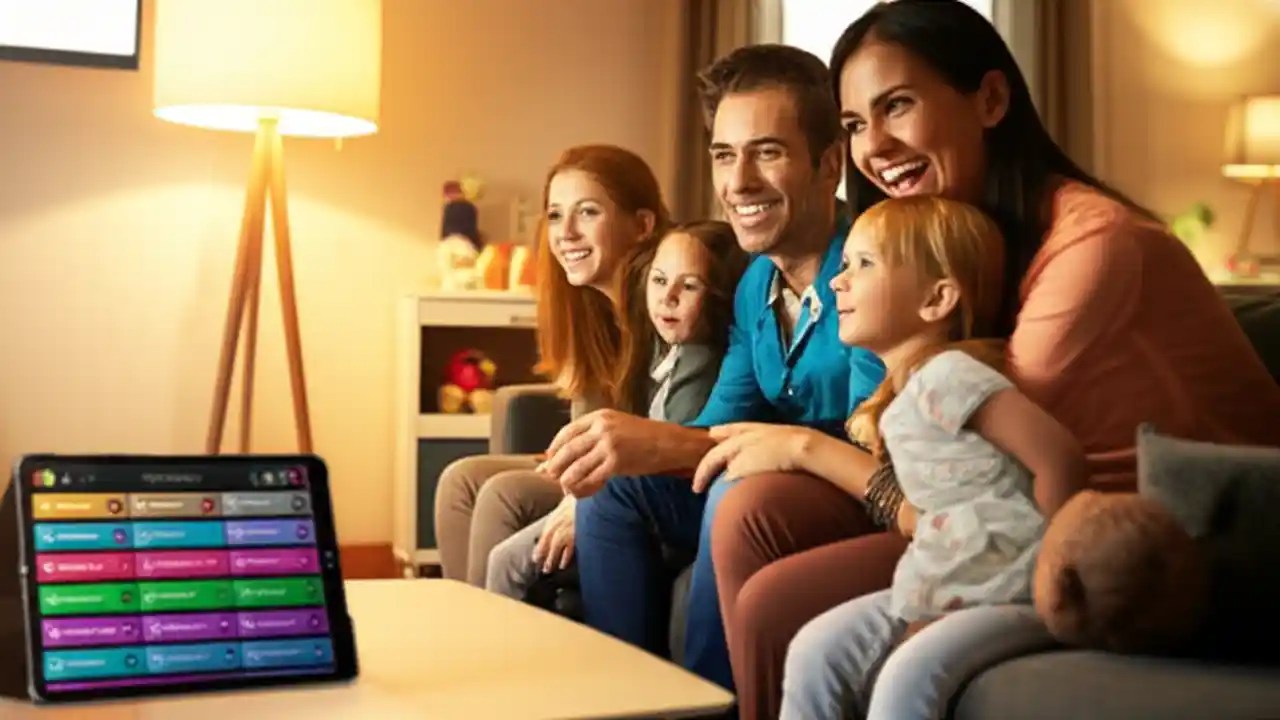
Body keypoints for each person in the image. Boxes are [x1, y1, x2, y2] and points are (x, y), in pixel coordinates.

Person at [702, 1, 1280, 717]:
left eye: (898, 105)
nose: (874, 146)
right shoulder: (962, 246)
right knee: (755, 520)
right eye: (854, 124)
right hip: (1005, 516)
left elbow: (989, 459)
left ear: (992, 99)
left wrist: (801, 447)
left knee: (779, 602)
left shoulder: (1093, 248)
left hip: (1164, 542)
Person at [540, 45, 885, 690]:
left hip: (861, 493)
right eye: (725, 156)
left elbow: (876, 446)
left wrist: (721, 447)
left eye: (767, 152)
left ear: (829, 164)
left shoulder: (871, 264)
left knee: (735, 488)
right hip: (778, 484)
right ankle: (628, 698)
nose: (739, 182)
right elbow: (718, 426)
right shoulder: (755, 284)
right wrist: (644, 443)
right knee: (616, 485)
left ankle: (710, 704)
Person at [774, 195, 1088, 720]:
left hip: (1016, 591)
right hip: (950, 586)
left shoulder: (951, 375)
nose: (837, 281)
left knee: (909, 674)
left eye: (863, 264)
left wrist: (1055, 578)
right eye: (844, 264)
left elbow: (1061, 459)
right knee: (816, 648)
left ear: (937, 298)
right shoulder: (907, 393)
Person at [433, 144, 667, 588]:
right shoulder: (589, 309)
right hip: (599, 463)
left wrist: (579, 498)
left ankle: (496, 628)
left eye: (588, 212)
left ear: (642, 225)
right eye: (556, 216)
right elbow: (586, 422)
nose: (567, 233)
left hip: (640, 476)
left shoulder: (667, 302)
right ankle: (465, 620)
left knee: (505, 494)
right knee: (460, 480)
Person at [485, 221, 749, 598]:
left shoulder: (701, 358)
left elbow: (664, 463)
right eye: (660, 281)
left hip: (651, 505)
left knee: (508, 560)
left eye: (689, 286)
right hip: (618, 489)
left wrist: (581, 506)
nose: (668, 297)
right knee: (494, 513)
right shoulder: (664, 341)